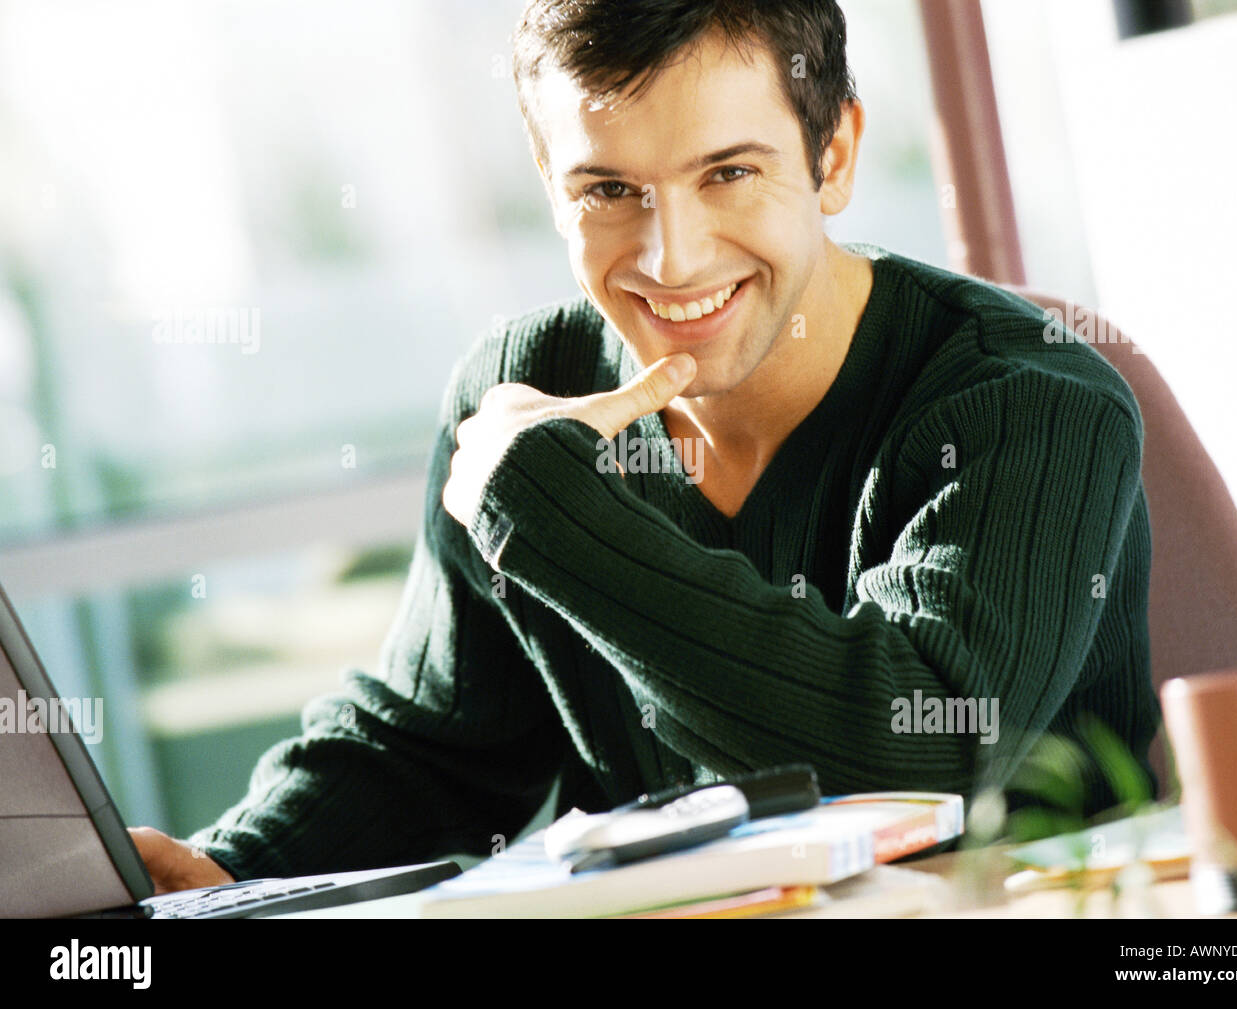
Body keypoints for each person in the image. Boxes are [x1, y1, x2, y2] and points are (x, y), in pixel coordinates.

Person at [131, 0, 1159, 892]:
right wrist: (226, 870)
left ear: (833, 153)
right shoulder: (519, 394)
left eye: (727, 173)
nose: (671, 258)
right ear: (549, 180)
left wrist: (551, 510)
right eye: (607, 191)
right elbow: (435, 749)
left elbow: (921, 750)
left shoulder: (1026, 397)